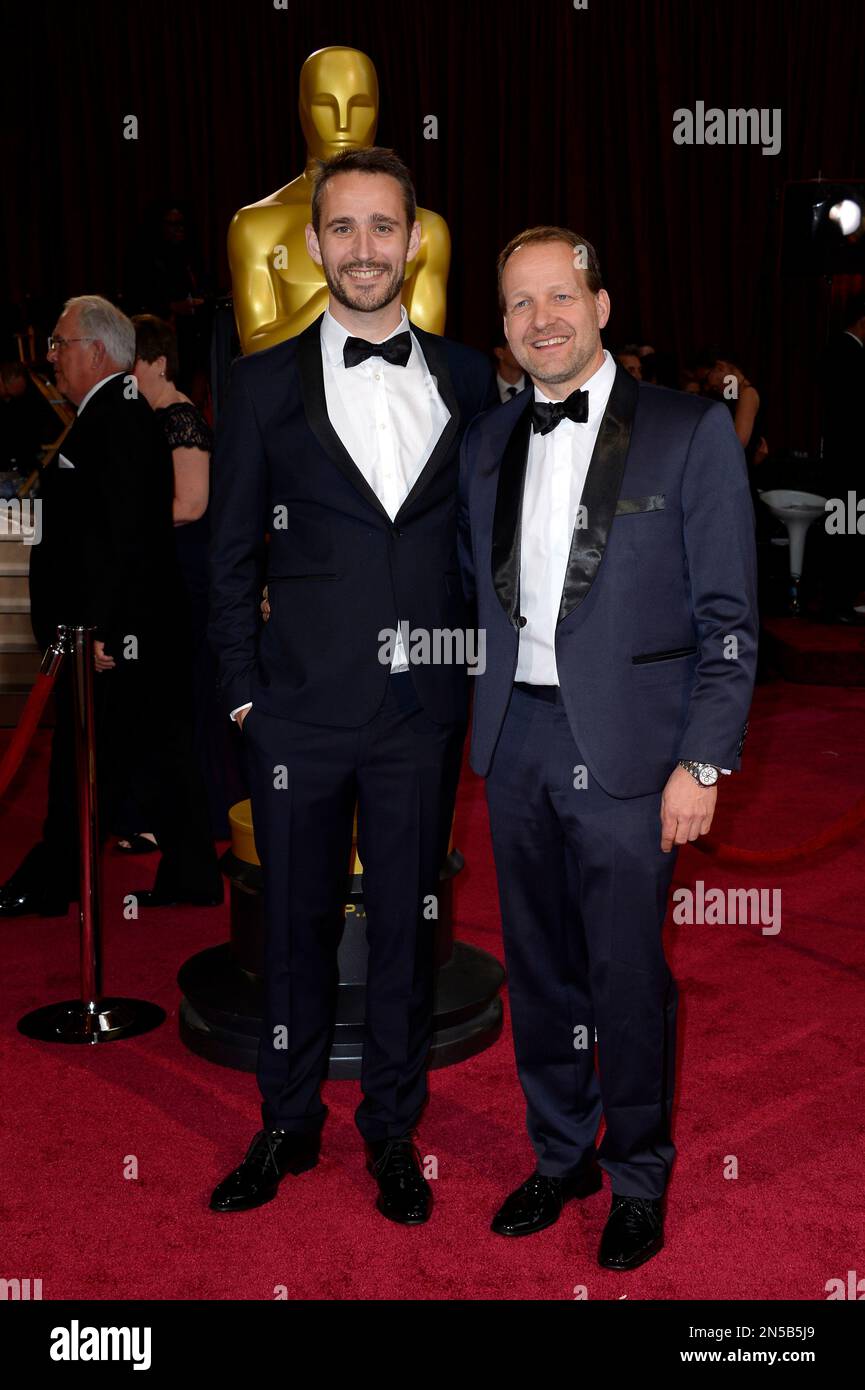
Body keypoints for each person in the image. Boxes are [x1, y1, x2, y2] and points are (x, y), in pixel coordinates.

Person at [458, 226, 757, 1270]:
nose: (541, 319)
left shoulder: (687, 431)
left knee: (626, 973)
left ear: (601, 303)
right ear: (500, 326)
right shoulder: (487, 441)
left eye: (559, 297)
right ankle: (558, 1154)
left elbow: (728, 616)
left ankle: (637, 1172)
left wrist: (703, 760)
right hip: (517, 733)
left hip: (636, 752)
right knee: (538, 969)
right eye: (518, 304)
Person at [208, 148, 495, 1224]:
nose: (365, 248)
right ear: (315, 243)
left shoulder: (468, 377)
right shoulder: (266, 381)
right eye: (345, 228)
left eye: (384, 227)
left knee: (409, 936)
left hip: (421, 714)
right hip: (296, 714)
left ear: (411, 240)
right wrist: (245, 697)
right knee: (292, 931)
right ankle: (285, 1120)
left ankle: (390, 1127)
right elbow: (231, 556)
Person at [0, 295, 223, 917]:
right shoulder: (118, 414)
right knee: (163, 749)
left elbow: (125, 536)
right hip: (132, 625)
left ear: (96, 351)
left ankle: (57, 879)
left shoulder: (116, 419)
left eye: (60, 344)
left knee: (83, 758)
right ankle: (190, 874)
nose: (51, 357)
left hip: (114, 631)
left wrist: (101, 627)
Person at [131, 314, 246, 842]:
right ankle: (174, 811)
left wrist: (125, 520)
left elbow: (192, 504)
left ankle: (198, 811)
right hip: (172, 568)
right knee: (171, 697)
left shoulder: (180, 418)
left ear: (158, 362)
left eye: (132, 361)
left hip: (189, 574)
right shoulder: (155, 419)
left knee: (191, 694)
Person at [819, 292, 865, 623]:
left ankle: (841, 601)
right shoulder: (846, 352)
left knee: (847, 531)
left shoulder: (842, 350)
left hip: (845, 462)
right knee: (845, 532)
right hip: (849, 463)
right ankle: (838, 604)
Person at [492, 332, 526, 401]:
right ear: (499, 353)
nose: (524, 351)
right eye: (516, 346)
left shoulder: (538, 386)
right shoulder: (485, 388)